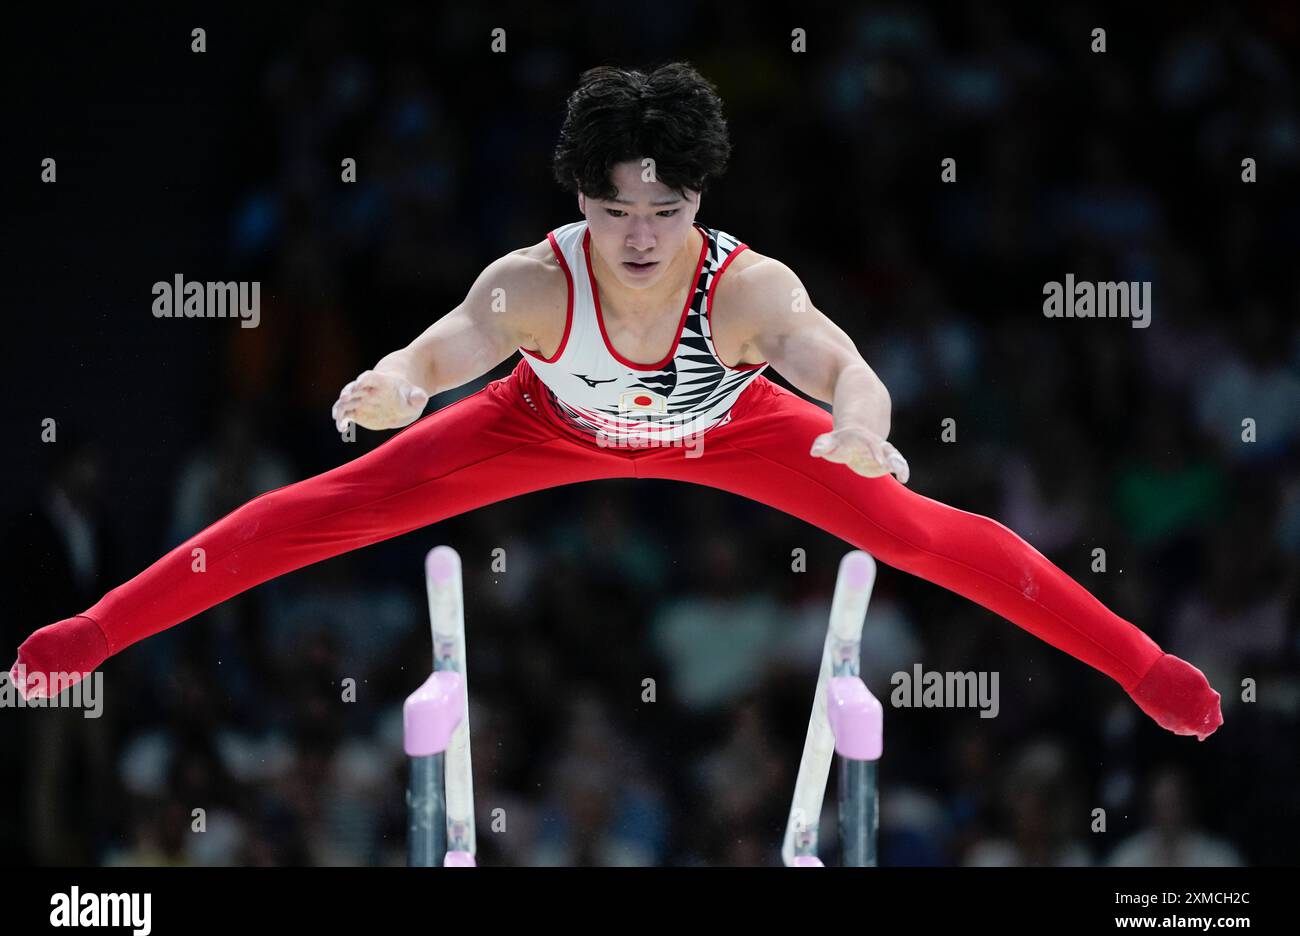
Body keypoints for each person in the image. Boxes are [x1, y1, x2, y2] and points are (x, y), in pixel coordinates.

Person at [11, 62, 1221, 741]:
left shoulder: (745, 292)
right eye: (613, 211)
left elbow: (836, 357)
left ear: (698, 201)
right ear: (580, 202)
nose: (639, 238)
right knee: (327, 505)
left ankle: (1140, 664)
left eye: (665, 211)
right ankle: (89, 637)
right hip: (543, 423)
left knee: (916, 531)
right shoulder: (536, 284)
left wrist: (861, 422)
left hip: (733, 427)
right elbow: (442, 352)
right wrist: (394, 381)